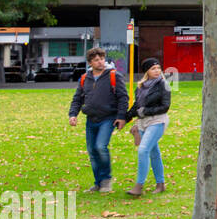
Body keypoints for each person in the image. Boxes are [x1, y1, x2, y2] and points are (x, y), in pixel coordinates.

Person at [67, 47, 127, 193]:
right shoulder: (84, 78)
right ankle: (98, 182)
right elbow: (78, 98)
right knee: (92, 151)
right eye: (96, 60)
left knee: (101, 147)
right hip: (91, 118)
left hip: (108, 117)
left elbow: (123, 98)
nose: (100, 62)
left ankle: (106, 180)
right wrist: (73, 114)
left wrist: (121, 116)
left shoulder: (114, 76)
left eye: (101, 59)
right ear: (90, 63)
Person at [124, 58, 172, 197]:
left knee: (143, 150)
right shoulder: (141, 87)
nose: (157, 71)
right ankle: (160, 184)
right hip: (143, 122)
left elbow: (165, 106)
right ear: (147, 72)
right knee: (153, 152)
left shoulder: (164, 85)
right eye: (153, 69)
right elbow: (136, 106)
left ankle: (139, 186)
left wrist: (145, 111)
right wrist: (124, 119)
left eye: (158, 68)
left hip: (157, 120)